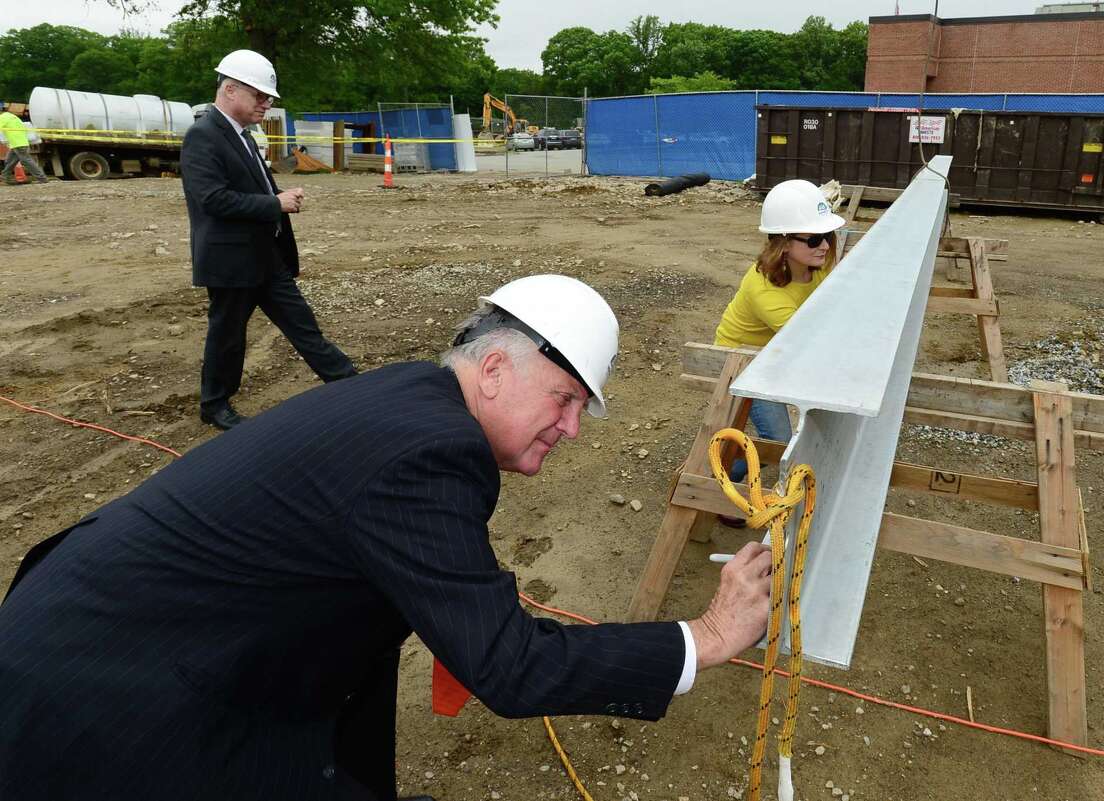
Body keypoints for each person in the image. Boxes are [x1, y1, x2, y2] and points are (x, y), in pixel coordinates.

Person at [0, 274, 774, 801]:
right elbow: (509, 665)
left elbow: (358, 638)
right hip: (101, 693)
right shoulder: (431, 455)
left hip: (119, 630)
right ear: (496, 367)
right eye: (567, 399)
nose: (573, 428)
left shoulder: (413, 396)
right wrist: (705, 635)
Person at [182, 49, 356, 431]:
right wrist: (273, 203)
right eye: (259, 96)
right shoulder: (203, 135)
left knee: (304, 326)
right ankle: (214, 405)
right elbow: (211, 199)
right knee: (227, 336)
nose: (267, 103)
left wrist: (275, 201)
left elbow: (250, 186)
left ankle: (350, 384)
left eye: (269, 97)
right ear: (229, 90)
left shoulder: (241, 135)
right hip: (231, 262)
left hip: (264, 256)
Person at [713, 180, 845, 526]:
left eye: (828, 237)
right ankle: (723, 484)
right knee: (779, 439)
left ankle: (725, 478)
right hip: (742, 362)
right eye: (815, 239)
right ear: (784, 244)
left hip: (773, 354)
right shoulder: (765, 290)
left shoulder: (814, 266)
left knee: (785, 436)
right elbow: (808, 342)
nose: (825, 246)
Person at [0, 102, 48, 185]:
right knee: (10, 161)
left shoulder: (3, 118)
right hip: (18, 143)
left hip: (18, 144)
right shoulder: (11, 116)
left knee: (27, 161)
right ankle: (5, 177)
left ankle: (42, 178)